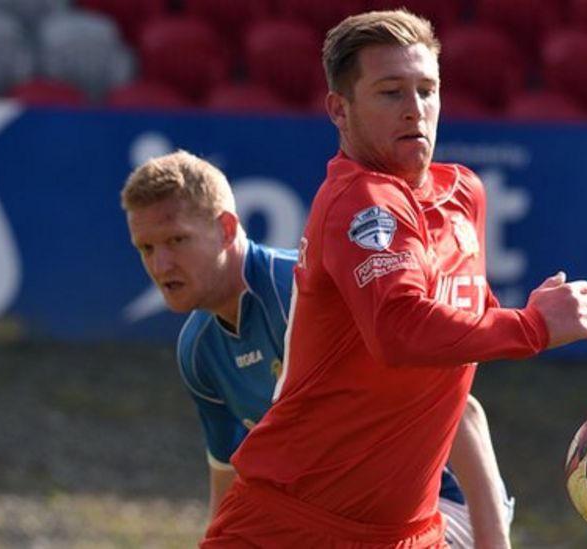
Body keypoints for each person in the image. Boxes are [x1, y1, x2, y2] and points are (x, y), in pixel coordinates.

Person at [202, 9, 587, 549]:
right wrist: (532, 325)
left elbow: (454, 375)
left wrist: (492, 533)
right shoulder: (359, 198)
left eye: (427, 90)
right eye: (391, 92)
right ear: (339, 110)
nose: (416, 110)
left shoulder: (464, 196)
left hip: (406, 534)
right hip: (294, 525)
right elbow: (400, 330)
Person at [121, 150, 518, 547]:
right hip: (335, 523)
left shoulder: (301, 292)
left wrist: (493, 541)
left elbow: (461, 410)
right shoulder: (197, 350)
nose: (161, 264)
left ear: (227, 229)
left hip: (438, 509)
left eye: (177, 240)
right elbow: (230, 478)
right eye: (146, 248)